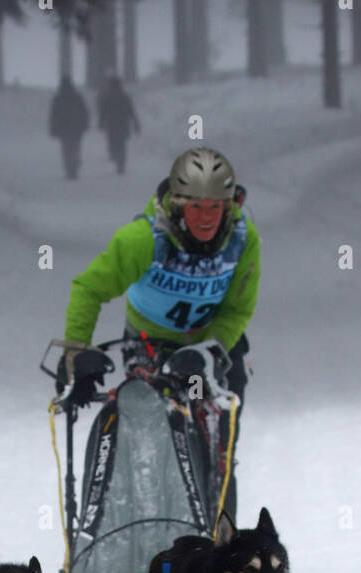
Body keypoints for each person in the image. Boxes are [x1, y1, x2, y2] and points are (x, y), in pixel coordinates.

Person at [60, 148, 259, 517]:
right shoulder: (142, 239)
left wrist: (207, 351)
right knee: (156, 436)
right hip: (152, 347)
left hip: (213, 348)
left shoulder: (243, 242)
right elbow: (89, 288)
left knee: (217, 444)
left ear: (230, 207)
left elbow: (237, 309)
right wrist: (76, 353)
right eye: (195, 207)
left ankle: (217, 546)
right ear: (178, 204)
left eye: (215, 207)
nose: (205, 218)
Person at [48, 75, 89, 180]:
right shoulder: (77, 97)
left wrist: (53, 129)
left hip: (64, 128)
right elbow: (84, 112)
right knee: (75, 146)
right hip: (76, 128)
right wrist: (85, 124)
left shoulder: (58, 98)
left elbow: (54, 115)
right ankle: (75, 164)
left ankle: (69, 169)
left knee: (66, 149)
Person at [98, 75, 140, 175]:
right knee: (122, 144)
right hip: (123, 124)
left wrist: (101, 123)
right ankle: (121, 163)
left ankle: (115, 155)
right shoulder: (124, 97)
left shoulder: (107, 97)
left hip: (111, 125)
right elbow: (131, 111)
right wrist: (136, 123)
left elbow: (103, 112)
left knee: (113, 142)